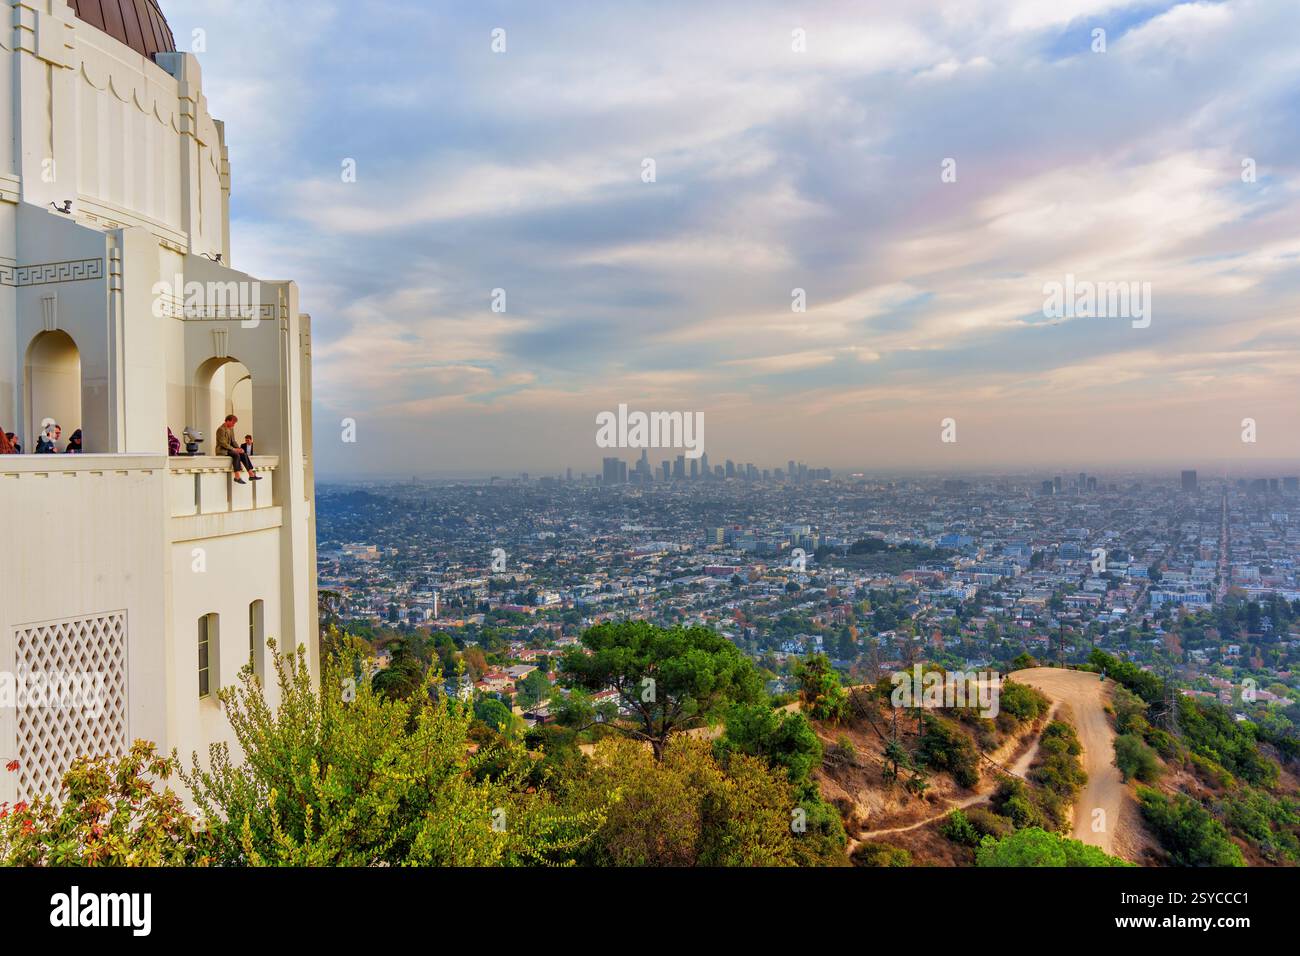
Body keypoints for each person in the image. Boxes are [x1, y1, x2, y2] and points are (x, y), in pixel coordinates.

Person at [215, 414, 261, 484]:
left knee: (244, 453)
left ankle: (251, 474)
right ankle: (237, 477)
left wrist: (239, 448)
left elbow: (233, 441)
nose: (234, 424)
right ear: (227, 421)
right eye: (233, 423)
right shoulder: (221, 429)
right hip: (222, 450)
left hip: (230, 449)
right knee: (236, 454)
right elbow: (222, 443)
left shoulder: (231, 429)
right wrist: (234, 449)